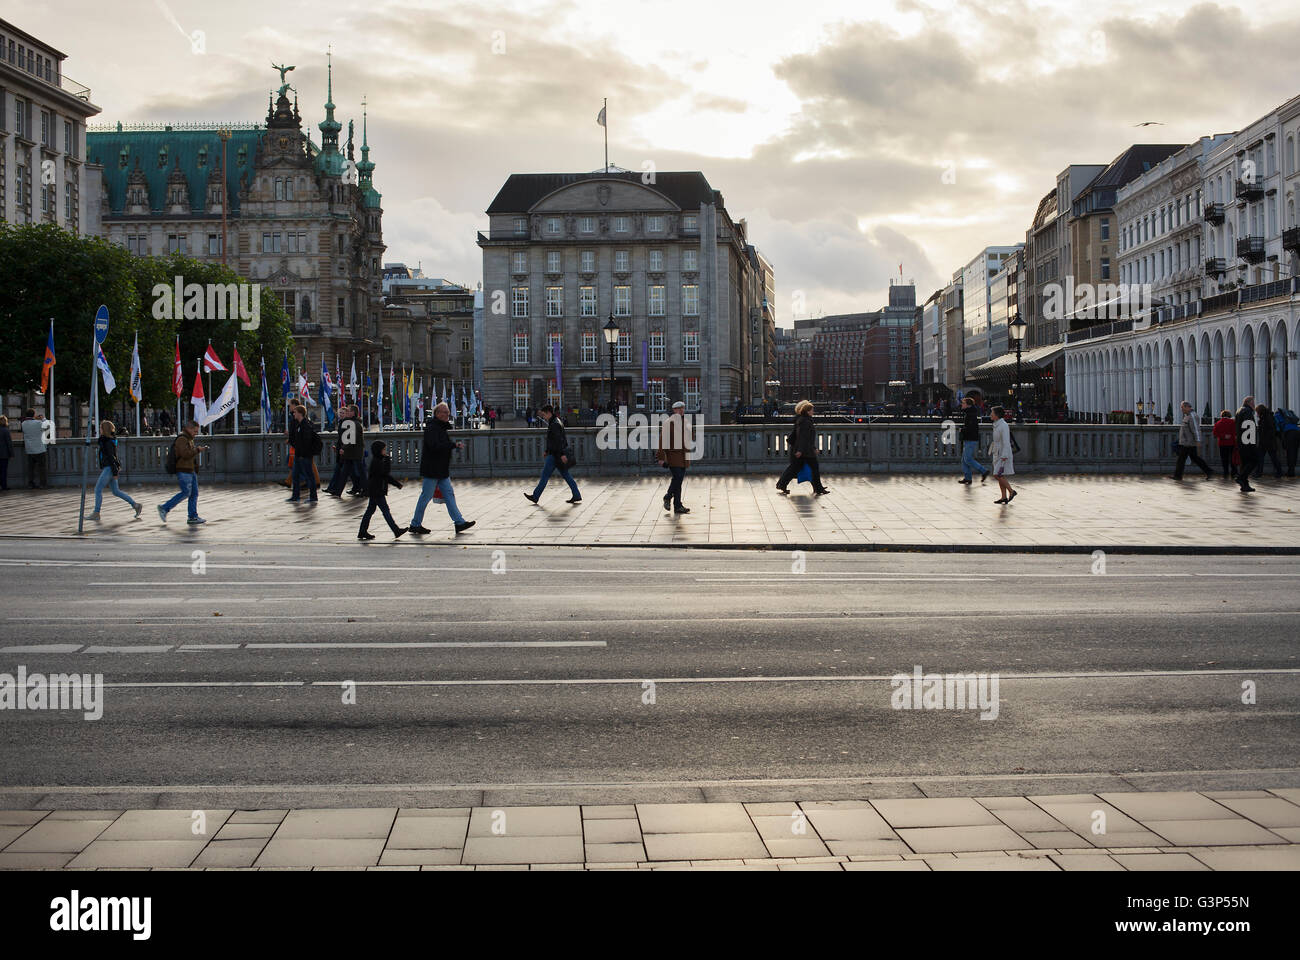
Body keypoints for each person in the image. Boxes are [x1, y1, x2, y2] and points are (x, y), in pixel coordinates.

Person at [408, 402, 476, 535]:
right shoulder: (433, 428)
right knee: (425, 497)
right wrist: (453, 445)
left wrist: (452, 446)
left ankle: (459, 522)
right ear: (437, 414)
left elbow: (439, 445)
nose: (447, 414)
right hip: (433, 469)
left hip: (440, 469)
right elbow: (435, 446)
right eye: (444, 412)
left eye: (448, 412)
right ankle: (415, 524)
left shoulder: (439, 427)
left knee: (449, 495)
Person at [524, 404, 581, 504]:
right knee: (566, 475)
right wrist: (547, 450)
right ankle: (576, 495)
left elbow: (558, 441)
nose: (543, 417)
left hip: (555, 455)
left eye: (544, 415)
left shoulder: (554, 424)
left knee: (545, 476)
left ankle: (535, 496)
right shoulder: (556, 421)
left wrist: (561, 454)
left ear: (549, 413)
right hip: (556, 453)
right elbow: (557, 440)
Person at [90, 420, 143, 520]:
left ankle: (96, 513)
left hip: (109, 468)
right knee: (116, 491)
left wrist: (114, 471)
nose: (99, 430)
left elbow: (111, 457)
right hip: (111, 468)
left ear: (104, 429)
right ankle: (136, 505)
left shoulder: (107, 442)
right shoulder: (107, 440)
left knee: (97, 489)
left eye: (101, 428)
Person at [158, 420, 208, 525]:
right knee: (186, 492)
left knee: (194, 494)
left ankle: (193, 516)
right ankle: (164, 508)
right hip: (183, 470)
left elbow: (190, 456)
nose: (196, 433)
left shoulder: (189, 439)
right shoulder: (182, 439)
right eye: (195, 431)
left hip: (190, 470)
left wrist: (195, 466)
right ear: (189, 429)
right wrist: (197, 450)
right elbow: (185, 455)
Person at [776, 400, 829, 495]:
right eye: (812, 410)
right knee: (812, 468)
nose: (813, 412)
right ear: (808, 411)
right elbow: (803, 437)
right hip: (805, 451)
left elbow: (806, 438)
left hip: (805, 449)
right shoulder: (805, 421)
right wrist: (801, 450)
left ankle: (782, 484)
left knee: (794, 468)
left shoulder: (804, 420)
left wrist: (813, 447)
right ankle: (818, 488)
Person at [358, 440, 406, 540]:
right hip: (377, 490)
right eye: (384, 449)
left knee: (370, 511)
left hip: (374, 490)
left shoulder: (377, 460)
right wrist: (397, 484)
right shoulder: (378, 462)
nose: (385, 451)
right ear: (378, 451)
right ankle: (395, 530)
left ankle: (362, 531)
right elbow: (385, 474)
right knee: (385, 511)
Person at [655, 399, 692, 514]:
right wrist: (661, 457)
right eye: (678, 409)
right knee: (677, 478)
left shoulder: (685, 421)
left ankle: (677, 505)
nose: (681, 410)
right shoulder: (668, 423)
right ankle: (668, 497)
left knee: (678, 481)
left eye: (682, 408)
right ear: (674, 410)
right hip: (673, 455)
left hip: (683, 455)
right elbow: (662, 441)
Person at [327, 404, 367, 497]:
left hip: (354, 452)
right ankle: (339, 491)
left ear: (353, 413)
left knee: (357, 472)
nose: (346, 412)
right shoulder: (353, 422)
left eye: (348, 411)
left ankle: (365, 490)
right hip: (352, 452)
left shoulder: (353, 423)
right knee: (346, 472)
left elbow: (351, 439)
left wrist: (343, 449)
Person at [1171, 401, 1213, 481]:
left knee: (1182, 459)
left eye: (1182, 407)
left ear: (1187, 407)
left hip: (1189, 443)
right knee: (1194, 458)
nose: (1181, 409)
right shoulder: (1188, 416)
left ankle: (1178, 476)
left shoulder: (1192, 416)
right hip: (1187, 442)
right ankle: (1208, 471)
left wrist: (1198, 440)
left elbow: (1196, 429)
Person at [287, 404, 320, 503]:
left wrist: (302, 452)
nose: (294, 414)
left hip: (304, 455)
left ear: (300, 414)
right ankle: (295, 496)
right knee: (295, 476)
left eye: (295, 412)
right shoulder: (299, 424)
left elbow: (306, 442)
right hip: (299, 454)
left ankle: (313, 497)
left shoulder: (306, 425)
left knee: (309, 476)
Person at [987, 405, 1016, 504]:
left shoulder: (1003, 425)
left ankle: (1011, 491)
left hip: (1002, 453)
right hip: (997, 452)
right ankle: (1004, 497)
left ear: (997, 415)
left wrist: (1004, 455)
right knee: (1000, 474)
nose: (990, 415)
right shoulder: (997, 424)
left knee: (997, 474)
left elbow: (1006, 441)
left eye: (992, 413)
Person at [957, 396, 988, 485]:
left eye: (963, 403)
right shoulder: (970, 413)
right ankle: (968, 478)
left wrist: (962, 430)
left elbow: (970, 428)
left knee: (968, 459)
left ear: (968, 405)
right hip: (969, 438)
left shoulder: (970, 414)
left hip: (970, 438)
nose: (961, 405)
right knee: (964, 459)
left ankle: (983, 471)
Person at [20, 409, 50, 489]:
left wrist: (35, 418)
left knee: (31, 468)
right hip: (39, 448)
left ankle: (31, 483)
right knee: (42, 468)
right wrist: (43, 419)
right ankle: (43, 484)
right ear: (33, 415)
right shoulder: (38, 423)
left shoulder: (23, 424)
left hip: (29, 449)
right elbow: (48, 428)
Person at [1234, 396, 1258, 493]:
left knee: (1244, 463)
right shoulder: (1247, 412)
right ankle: (1241, 478)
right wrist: (1252, 443)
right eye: (1253, 403)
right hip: (1247, 441)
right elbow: (1249, 428)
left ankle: (1245, 485)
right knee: (1253, 460)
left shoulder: (1239, 410)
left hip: (1241, 441)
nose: (1254, 405)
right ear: (1248, 402)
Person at [1253, 403, 1283, 479]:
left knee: (1265, 457)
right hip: (1268, 441)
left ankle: (1259, 473)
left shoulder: (1266, 417)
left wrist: (1264, 439)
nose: (1256, 413)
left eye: (1257, 411)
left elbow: (1269, 430)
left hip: (1266, 442)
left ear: (1259, 411)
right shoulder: (1268, 416)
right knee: (1272, 457)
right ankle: (1278, 472)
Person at [1212, 409, 1237, 481]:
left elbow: (1215, 434)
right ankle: (1234, 473)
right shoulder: (1233, 422)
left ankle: (1225, 473)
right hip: (1232, 443)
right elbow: (1235, 432)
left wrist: (1223, 436)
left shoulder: (1218, 423)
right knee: (1232, 458)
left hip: (1222, 443)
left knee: (1224, 459)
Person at [1278, 408, 1300, 477]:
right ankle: (1292, 470)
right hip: (1298, 432)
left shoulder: (1277, 414)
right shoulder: (1290, 414)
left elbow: (1277, 427)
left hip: (1289, 433)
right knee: (1294, 452)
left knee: (1290, 452)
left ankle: (1291, 472)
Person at [0, 416, 11, 492]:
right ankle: (4, 486)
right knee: (3, 471)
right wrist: (11, 454)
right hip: (4, 454)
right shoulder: (5, 430)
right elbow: (9, 443)